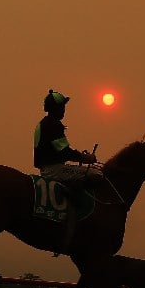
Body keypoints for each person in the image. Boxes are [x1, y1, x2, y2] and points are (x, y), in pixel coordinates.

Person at [33, 89, 103, 253]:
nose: (64, 110)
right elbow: (65, 152)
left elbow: (62, 150)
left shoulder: (43, 123)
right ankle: (73, 199)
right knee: (96, 174)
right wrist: (87, 158)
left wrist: (80, 156)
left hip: (48, 168)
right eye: (62, 107)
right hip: (55, 169)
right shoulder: (53, 125)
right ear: (55, 109)